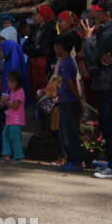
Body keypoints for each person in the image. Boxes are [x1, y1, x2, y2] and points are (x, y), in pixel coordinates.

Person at [86, 0, 112, 179]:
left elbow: (94, 57)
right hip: (106, 83)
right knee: (108, 125)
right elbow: (96, 58)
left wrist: (88, 40)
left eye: (98, 11)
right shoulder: (107, 30)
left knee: (111, 125)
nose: (93, 14)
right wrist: (96, 58)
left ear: (107, 14)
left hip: (110, 83)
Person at [49, 36, 84, 171]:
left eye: (57, 46)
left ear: (61, 47)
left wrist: (78, 98)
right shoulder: (67, 62)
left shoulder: (66, 63)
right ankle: (73, 160)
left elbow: (70, 83)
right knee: (66, 132)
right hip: (66, 100)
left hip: (69, 102)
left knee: (69, 133)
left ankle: (75, 161)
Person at [0, 71, 26, 162]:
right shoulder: (11, 91)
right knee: (5, 135)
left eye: (11, 82)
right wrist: (2, 102)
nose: (9, 84)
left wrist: (6, 102)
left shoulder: (20, 92)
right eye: (8, 82)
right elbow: (5, 104)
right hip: (9, 119)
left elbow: (15, 106)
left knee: (14, 137)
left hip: (16, 120)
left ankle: (18, 156)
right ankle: (6, 155)